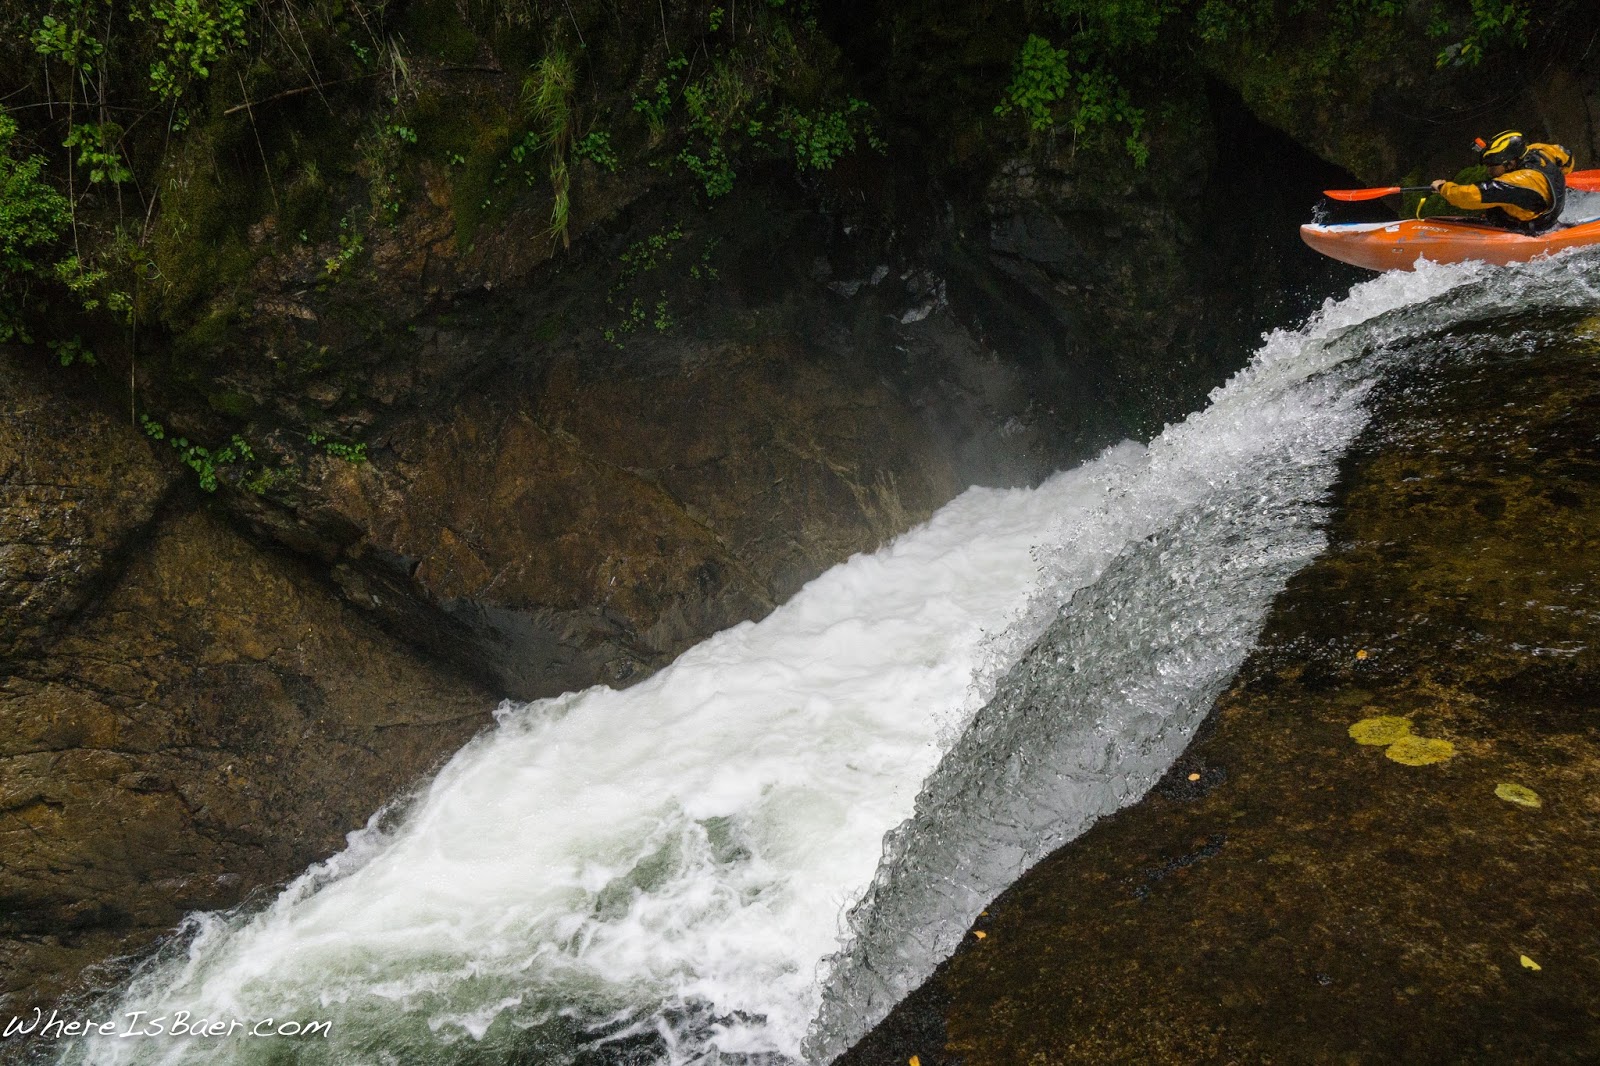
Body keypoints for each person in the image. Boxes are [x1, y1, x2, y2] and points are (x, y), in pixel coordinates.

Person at [1429, 130, 1575, 233]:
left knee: (1493, 201)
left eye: (1492, 166)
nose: (1489, 171)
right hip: (1549, 214)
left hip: (1533, 230)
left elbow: (1467, 196)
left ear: (1510, 164)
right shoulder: (1539, 150)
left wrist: (1442, 187)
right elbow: (1567, 158)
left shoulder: (1514, 182)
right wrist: (1551, 179)